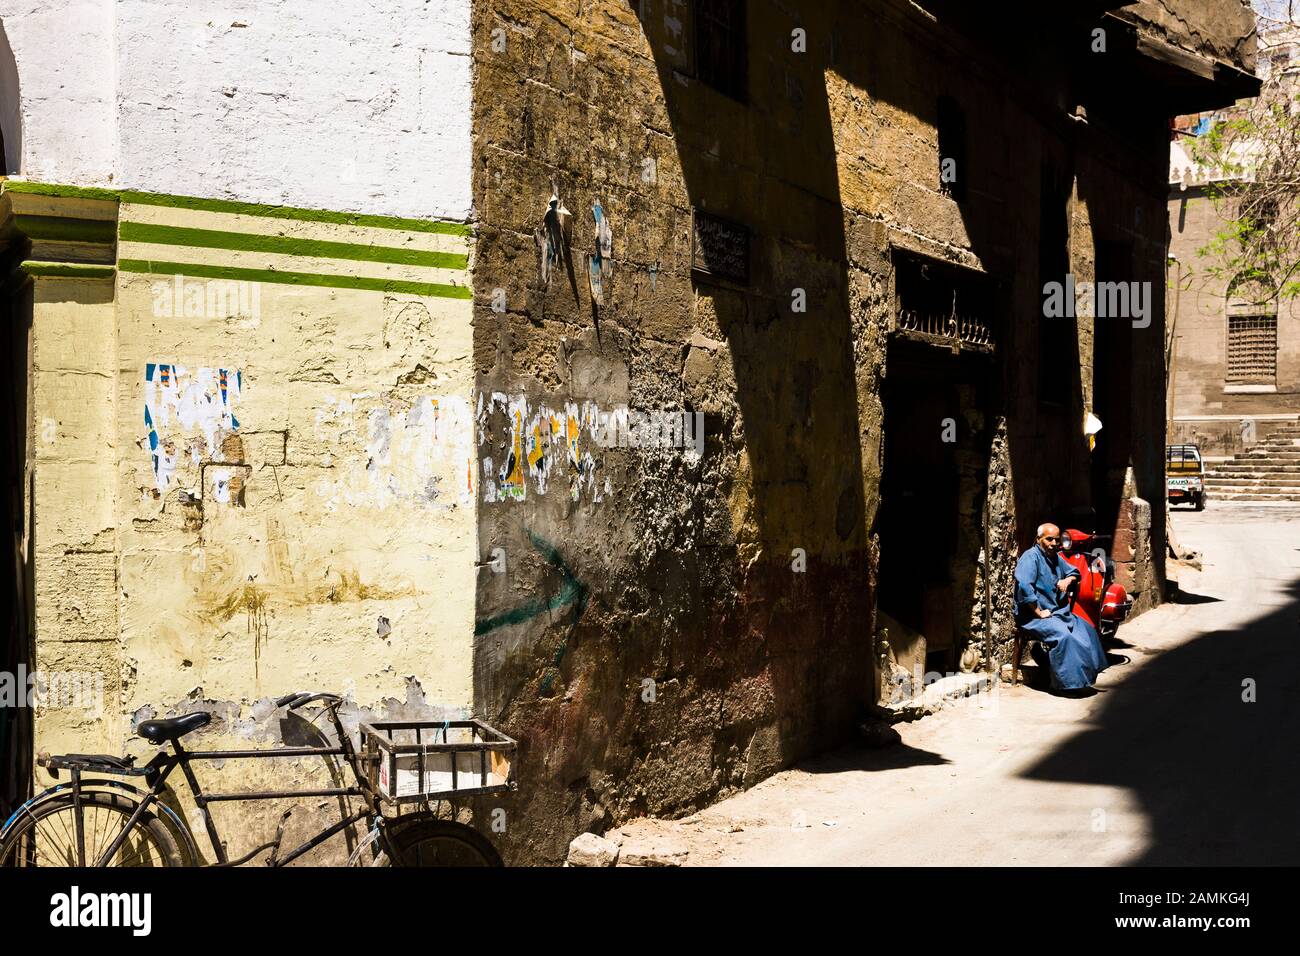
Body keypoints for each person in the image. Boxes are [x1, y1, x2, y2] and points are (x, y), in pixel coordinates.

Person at [1014, 522, 1109, 692]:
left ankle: (1083, 678)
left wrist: (1067, 580)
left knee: (1086, 630)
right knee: (1065, 636)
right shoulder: (1031, 557)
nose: (1053, 543)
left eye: (1056, 540)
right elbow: (1025, 587)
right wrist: (1038, 612)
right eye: (1049, 539)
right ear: (1038, 539)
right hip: (1032, 616)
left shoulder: (1055, 557)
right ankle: (1066, 684)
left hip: (1057, 612)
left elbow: (1074, 572)